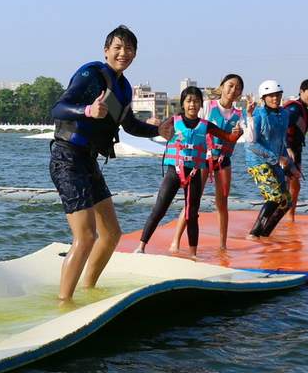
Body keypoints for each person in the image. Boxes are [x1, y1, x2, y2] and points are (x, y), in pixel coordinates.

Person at [50, 25, 173, 300]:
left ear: (135, 54)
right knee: (86, 237)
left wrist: (157, 131)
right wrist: (87, 110)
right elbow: (57, 108)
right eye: (117, 47)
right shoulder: (91, 74)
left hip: (88, 162)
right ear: (106, 51)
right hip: (67, 158)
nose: (123, 53)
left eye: (129, 49)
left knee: (111, 234)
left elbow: (128, 125)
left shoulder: (123, 87)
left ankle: (88, 290)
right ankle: (63, 302)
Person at [134, 86, 241, 258]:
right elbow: (156, 130)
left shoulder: (206, 125)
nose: (193, 104)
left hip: (194, 174)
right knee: (159, 209)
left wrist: (237, 133)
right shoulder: (173, 121)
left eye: (196, 101)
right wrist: (152, 125)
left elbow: (228, 138)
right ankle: (141, 246)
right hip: (174, 172)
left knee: (192, 213)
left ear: (201, 105)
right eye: (189, 101)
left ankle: (193, 253)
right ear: (183, 104)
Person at [243, 79, 294, 239]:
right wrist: (277, 158)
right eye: (270, 96)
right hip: (258, 161)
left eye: (278, 95)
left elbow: (282, 140)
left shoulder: (284, 114)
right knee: (274, 197)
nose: (275, 99)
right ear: (263, 98)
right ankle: (253, 233)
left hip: (276, 161)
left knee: (286, 200)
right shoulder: (258, 114)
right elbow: (252, 144)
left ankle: (265, 234)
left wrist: (288, 160)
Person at [203, 73, 246, 249]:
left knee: (223, 203)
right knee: (193, 199)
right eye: (230, 85)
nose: (233, 90)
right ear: (222, 87)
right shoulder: (207, 106)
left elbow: (248, 134)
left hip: (223, 161)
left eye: (237, 87)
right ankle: (175, 241)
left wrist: (241, 131)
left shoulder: (239, 115)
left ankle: (222, 244)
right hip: (203, 158)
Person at [283, 78, 308, 223]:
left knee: (295, 186)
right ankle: (281, 215)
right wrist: (286, 148)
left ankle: (290, 215)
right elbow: (282, 127)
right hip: (285, 151)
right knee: (285, 185)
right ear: (301, 91)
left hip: (296, 152)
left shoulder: (304, 110)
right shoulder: (293, 109)